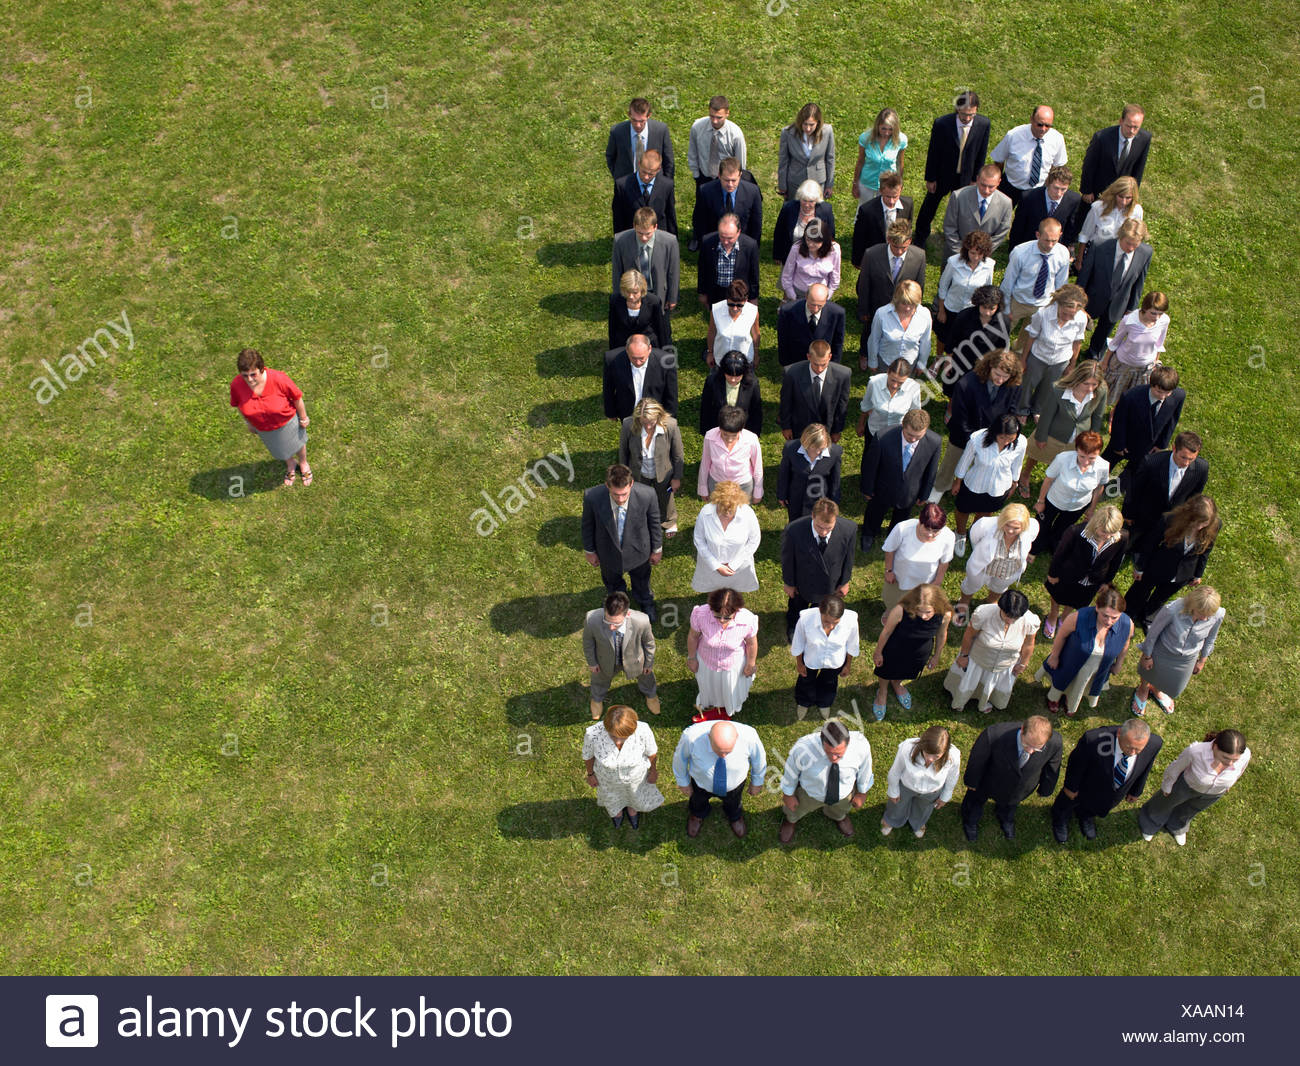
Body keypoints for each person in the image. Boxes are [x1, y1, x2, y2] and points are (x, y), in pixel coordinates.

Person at [1050, 718, 1162, 843]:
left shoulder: (1154, 744)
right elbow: (1076, 764)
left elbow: (1146, 766)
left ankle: (1086, 816)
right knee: (1068, 802)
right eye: (1129, 747)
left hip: (1111, 792)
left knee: (1096, 804)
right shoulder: (1093, 740)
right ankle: (1060, 817)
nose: (1132, 752)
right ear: (1119, 733)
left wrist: (1136, 791)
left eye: (1138, 750)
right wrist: (1071, 787)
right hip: (1086, 784)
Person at [930, 348, 1020, 502]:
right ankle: (940, 486)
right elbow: (960, 416)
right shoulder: (966, 384)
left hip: (994, 436)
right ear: (990, 366)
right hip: (964, 433)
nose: (1000, 380)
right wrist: (974, 441)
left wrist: (996, 437)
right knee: (952, 461)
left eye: (1005, 377)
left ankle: (966, 483)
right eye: (997, 374)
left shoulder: (1013, 385)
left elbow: (1012, 409)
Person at [1138, 728, 1250, 846]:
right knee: (1165, 803)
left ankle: (1177, 825)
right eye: (1226, 758)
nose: (1230, 764)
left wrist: (1230, 784)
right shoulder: (1195, 751)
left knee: (1192, 809)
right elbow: (1176, 768)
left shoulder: (1245, 754)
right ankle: (1150, 822)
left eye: (1235, 760)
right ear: (1215, 747)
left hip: (1214, 793)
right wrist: (1167, 786)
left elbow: (1241, 770)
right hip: (1186, 786)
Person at [581, 464, 663, 623]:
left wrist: (657, 549)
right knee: (612, 583)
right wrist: (590, 551)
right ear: (607, 486)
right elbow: (587, 525)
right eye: (615, 494)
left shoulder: (647, 494)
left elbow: (654, 522)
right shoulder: (592, 497)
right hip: (607, 553)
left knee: (642, 581)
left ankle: (645, 601)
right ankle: (619, 605)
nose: (620, 499)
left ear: (631, 484)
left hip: (639, 552)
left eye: (624, 494)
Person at [1125, 494, 1220, 631]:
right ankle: (1129, 615)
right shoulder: (1170, 520)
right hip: (1157, 566)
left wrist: (1198, 574)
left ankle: (1148, 616)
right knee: (1140, 591)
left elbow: (1206, 551)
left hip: (1183, 573)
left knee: (1161, 597)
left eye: (1203, 524)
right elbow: (1150, 544)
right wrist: (1140, 567)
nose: (1199, 527)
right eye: (1196, 523)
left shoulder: (1214, 526)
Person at [960, 715, 1062, 841]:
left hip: (1019, 788)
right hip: (988, 781)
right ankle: (970, 819)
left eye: (1036, 748)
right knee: (975, 801)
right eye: (1026, 744)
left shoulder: (1055, 743)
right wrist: (972, 781)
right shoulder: (994, 735)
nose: (1030, 751)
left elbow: (1052, 767)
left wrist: (1046, 789)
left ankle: (1005, 817)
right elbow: (977, 760)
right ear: (1022, 729)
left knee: (1011, 804)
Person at [1038, 584, 1133, 718]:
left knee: (1081, 686)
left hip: (1097, 668)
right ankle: (1055, 697)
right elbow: (1061, 635)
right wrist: (1054, 656)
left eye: (1114, 617)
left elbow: (1125, 643)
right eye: (1105, 615)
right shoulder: (1078, 617)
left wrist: (1119, 663)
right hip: (1071, 660)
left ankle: (1070, 700)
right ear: (1097, 607)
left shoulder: (1128, 624)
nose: (1109, 621)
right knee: (1064, 680)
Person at [914, 90, 990, 250]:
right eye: (964, 114)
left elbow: (981, 152)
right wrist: (931, 177)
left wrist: (976, 177)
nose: (967, 119)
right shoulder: (943, 124)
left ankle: (958, 238)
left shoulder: (983, 125)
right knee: (930, 206)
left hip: (966, 176)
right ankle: (920, 237)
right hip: (942, 175)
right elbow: (933, 151)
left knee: (962, 208)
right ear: (957, 109)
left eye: (971, 115)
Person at [1133, 585, 1224, 717]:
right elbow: (1153, 633)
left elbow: (1211, 638)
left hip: (1187, 658)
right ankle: (1143, 689)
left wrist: (1202, 660)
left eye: (1208, 616)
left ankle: (1157, 690)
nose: (1205, 619)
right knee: (1148, 673)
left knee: (1174, 685)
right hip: (1162, 651)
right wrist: (1147, 656)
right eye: (1201, 614)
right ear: (1192, 605)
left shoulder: (1218, 615)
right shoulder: (1173, 610)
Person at [944, 589, 1040, 715]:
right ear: (1000, 607)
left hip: (1004, 665)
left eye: (1015, 618)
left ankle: (985, 700)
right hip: (978, 659)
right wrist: (964, 656)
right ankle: (961, 700)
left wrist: (1023, 663)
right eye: (1007, 616)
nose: (1010, 621)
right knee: (969, 682)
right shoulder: (984, 613)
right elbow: (969, 635)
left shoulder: (1029, 621)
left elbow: (1029, 643)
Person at [1018, 361, 1108, 494]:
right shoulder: (1058, 389)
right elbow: (1047, 415)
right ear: (1077, 379)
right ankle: (1025, 475)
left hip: (1078, 438)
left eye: (1094, 384)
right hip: (1053, 433)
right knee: (1036, 455)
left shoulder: (1101, 391)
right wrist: (1041, 437)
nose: (1090, 389)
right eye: (1086, 384)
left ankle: (1055, 482)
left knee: (1067, 463)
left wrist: (1092, 441)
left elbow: (1097, 416)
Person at [858, 410, 942, 552]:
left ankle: (895, 536)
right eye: (909, 435)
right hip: (882, 488)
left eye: (918, 436)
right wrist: (867, 488)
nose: (913, 439)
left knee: (901, 517)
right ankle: (869, 533)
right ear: (903, 425)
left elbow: (931, 470)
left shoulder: (934, 441)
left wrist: (924, 494)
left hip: (910, 491)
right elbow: (870, 466)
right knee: (875, 512)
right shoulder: (883, 437)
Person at [779, 718, 873, 842]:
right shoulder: (803, 748)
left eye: (838, 754)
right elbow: (791, 772)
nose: (833, 758)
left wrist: (862, 793)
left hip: (844, 794)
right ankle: (791, 819)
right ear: (821, 741)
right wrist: (788, 794)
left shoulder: (861, 746)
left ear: (848, 743)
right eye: (829, 752)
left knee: (841, 808)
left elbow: (865, 770)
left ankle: (838, 816)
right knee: (795, 809)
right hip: (809, 793)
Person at [1042, 505, 1129, 639]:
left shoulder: (1121, 537)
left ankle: (1065, 617)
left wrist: (1107, 581)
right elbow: (1060, 554)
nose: (1107, 536)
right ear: (1096, 524)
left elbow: (1116, 561)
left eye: (1111, 533)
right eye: (1104, 532)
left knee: (1076, 601)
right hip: (1068, 575)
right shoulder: (1075, 532)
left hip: (1093, 581)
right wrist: (1053, 574)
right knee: (1057, 595)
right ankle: (1053, 615)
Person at [230, 348, 312, 487]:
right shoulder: (236, 385)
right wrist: (248, 423)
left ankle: (303, 463)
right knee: (279, 449)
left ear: (261, 369)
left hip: (287, 422)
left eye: (253, 374)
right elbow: (239, 404)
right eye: (245, 375)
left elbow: (297, 398)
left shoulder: (278, 378)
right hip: (263, 428)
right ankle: (290, 463)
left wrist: (303, 418)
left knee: (298, 444)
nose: (249, 379)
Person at [1122, 432, 1209, 563]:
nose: (1186, 463)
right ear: (1174, 448)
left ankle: (1140, 553)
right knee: (1133, 535)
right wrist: (1128, 513)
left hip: (1171, 516)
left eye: (1191, 459)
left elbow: (1196, 494)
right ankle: (1123, 552)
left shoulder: (1201, 468)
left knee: (1153, 538)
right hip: (1144, 512)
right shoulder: (1151, 463)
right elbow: (1134, 490)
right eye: (1183, 457)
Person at [672, 719, 767, 839]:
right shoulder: (690, 738)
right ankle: (698, 814)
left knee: (734, 802)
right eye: (718, 751)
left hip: (734, 785)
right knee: (698, 801)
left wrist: (757, 782)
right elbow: (680, 759)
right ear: (708, 737)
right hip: (701, 784)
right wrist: (683, 782)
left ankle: (734, 816)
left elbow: (759, 760)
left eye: (727, 752)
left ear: (737, 737)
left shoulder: (750, 736)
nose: (723, 756)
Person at [872, 583, 952, 721]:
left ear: (937, 606)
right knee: (885, 670)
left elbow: (941, 634)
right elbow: (886, 632)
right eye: (919, 610)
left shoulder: (945, 614)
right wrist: (878, 652)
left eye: (928, 612)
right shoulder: (900, 610)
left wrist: (936, 655)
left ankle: (897, 684)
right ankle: (882, 691)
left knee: (909, 671)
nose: (923, 616)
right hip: (895, 648)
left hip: (919, 652)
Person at [781, 498, 856, 642]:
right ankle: (793, 625)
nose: (824, 532)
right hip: (802, 582)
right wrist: (789, 583)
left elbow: (849, 558)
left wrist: (845, 582)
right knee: (797, 606)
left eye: (829, 528)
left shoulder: (849, 529)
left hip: (830, 583)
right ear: (813, 516)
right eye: (820, 527)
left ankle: (816, 626)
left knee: (821, 608)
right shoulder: (794, 530)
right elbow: (787, 560)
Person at [951, 414, 1026, 557]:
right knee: (963, 509)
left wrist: (1015, 482)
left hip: (999, 487)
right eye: (1002, 438)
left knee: (985, 513)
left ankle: (975, 533)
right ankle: (960, 533)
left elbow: (1018, 463)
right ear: (994, 432)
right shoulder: (977, 438)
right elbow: (965, 460)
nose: (1005, 442)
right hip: (974, 484)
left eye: (1010, 438)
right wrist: (957, 480)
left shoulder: (1021, 442)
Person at [1077, 218, 1153, 358]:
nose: (1131, 248)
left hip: (1118, 303)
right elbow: (1085, 275)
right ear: (1120, 235)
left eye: (1135, 245)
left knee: (1104, 332)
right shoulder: (1100, 246)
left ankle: (1093, 355)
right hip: (1093, 298)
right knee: (1077, 328)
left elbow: (1139, 283)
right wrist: (1078, 301)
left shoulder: (1145, 253)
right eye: (1128, 243)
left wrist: (1131, 308)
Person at [1103, 364, 1183, 493]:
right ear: (1151, 385)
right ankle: (1094, 483)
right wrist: (1119, 445)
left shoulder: (1178, 396)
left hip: (1148, 446)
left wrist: (1161, 444)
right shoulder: (1130, 397)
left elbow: (1172, 421)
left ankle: (1118, 487)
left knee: (1134, 469)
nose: (1163, 396)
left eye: (1167, 393)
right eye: (1158, 392)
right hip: (1125, 442)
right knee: (1107, 463)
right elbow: (1119, 422)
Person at [1029, 431, 1108, 558]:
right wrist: (1041, 501)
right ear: (1077, 449)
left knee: (1063, 528)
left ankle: (1054, 546)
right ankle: (1035, 548)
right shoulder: (1062, 458)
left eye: (1092, 458)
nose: (1086, 462)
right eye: (1082, 456)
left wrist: (1091, 509)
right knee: (1043, 525)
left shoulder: (1103, 466)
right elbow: (1048, 479)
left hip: (1077, 506)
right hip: (1054, 500)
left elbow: (1099, 487)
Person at [583, 705, 664, 830]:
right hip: (607, 780)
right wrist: (590, 774)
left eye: (623, 737)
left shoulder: (643, 730)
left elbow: (651, 753)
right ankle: (617, 812)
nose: (618, 741)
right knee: (612, 797)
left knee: (635, 795)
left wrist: (653, 771)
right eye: (613, 736)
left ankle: (633, 809)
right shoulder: (593, 734)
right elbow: (588, 756)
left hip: (636, 778)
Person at [955, 504, 1038, 625]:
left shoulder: (1033, 527)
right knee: (971, 585)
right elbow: (974, 538)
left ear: (1024, 526)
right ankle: (963, 603)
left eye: (1016, 528)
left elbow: (1031, 538)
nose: (1010, 531)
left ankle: (990, 603)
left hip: (1009, 572)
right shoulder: (985, 525)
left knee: (999, 588)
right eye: (1007, 525)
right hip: (983, 568)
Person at [1015, 283, 1090, 418]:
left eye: (1071, 315)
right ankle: (1022, 410)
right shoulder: (1042, 314)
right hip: (1038, 355)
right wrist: (1023, 360)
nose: (1067, 318)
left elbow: (1077, 343)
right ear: (1058, 305)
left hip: (1061, 360)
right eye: (1065, 313)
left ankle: (1037, 410)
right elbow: (1031, 338)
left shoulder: (1081, 319)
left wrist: (1072, 365)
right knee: (1027, 385)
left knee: (1049, 387)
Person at [583, 592, 660, 722]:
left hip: (635, 660)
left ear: (627, 614)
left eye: (617, 624)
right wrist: (592, 662)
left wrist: (648, 663)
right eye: (607, 621)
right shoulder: (592, 619)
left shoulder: (642, 621)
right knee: (599, 679)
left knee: (646, 677)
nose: (611, 627)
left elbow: (649, 644)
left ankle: (651, 695)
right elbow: (588, 642)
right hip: (605, 660)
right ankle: (597, 698)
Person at [856, 219, 926, 361]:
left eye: (904, 248)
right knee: (870, 330)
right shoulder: (872, 254)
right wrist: (863, 309)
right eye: (895, 247)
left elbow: (919, 285)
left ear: (910, 241)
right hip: (877, 303)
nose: (899, 252)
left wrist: (915, 306)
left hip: (903, 305)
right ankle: (865, 353)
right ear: (888, 239)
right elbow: (864, 285)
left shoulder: (919, 256)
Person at [686, 588, 759, 718]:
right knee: (710, 685)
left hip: (732, 664)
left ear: (736, 611)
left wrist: (751, 663)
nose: (722, 620)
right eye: (717, 616)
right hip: (707, 661)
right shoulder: (700, 614)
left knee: (730, 687)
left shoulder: (747, 620)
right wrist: (692, 658)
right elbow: (693, 636)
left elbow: (751, 643)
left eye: (727, 617)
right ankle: (711, 701)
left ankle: (730, 703)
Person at [619, 397, 683, 537]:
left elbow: (678, 455)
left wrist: (676, 477)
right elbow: (623, 451)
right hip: (638, 472)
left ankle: (669, 521)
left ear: (659, 416)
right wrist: (624, 475)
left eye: (651, 422)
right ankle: (642, 521)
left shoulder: (670, 426)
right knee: (640, 497)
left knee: (665, 497)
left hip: (663, 472)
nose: (648, 426)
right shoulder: (628, 424)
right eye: (644, 422)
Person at [790, 594, 860, 720]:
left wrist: (848, 665)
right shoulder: (806, 620)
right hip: (811, 658)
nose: (831, 626)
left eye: (836, 623)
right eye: (826, 621)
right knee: (806, 680)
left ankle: (824, 702)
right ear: (819, 612)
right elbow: (798, 643)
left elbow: (852, 645)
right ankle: (804, 701)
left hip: (835, 661)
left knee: (830, 682)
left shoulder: (851, 622)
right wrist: (800, 664)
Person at [882, 726, 960, 838]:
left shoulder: (954, 757)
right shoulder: (908, 748)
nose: (930, 759)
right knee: (897, 805)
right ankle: (891, 820)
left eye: (936, 756)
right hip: (906, 786)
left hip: (932, 792)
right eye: (927, 753)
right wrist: (893, 790)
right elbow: (895, 770)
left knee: (923, 809)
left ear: (945, 751)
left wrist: (945, 796)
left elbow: (952, 777)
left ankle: (917, 823)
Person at [937, 286, 1013, 393]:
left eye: (992, 308)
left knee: (976, 393)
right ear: (978, 303)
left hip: (985, 365)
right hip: (961, 361)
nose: (987, 312)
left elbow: (1002, 347)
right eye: (984, 307)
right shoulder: (964, 316)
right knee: (955, 390)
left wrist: (996, 367)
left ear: (998, 306)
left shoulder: (1003, 322)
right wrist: (949, 361)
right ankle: (950, 409)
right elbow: (952, 340)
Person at [691, 481, 761, 594]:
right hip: (710, 567)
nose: (727, 512)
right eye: (723, 508)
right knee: (713, 594)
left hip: (739, 567)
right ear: (716, 501)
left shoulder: (748, 514)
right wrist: (716, 565)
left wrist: (733, 565)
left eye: (731, 509)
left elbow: (754, 541)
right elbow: (699, 540)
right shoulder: (705, 513)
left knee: (735, 596)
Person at [611, 208, 680, 324]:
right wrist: (619, 297)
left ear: (655, 227)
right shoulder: (621, 241)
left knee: (659, 324)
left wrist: (672, 297)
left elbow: (673, 271)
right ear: (634, 226)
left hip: (658, 292)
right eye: (639, 233)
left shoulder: (670, 242)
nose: (643, 238)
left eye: (648, 234)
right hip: (633, 294)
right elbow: (617, 271)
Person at [1098, 291, 1170, 401]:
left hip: (1144, 369)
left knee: (1131, 396)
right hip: (1123, 364)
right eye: (1153, 313)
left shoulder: (1164, 321)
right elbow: (1115, 342)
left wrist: (1155, 362)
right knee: (1109, 393)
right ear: (1145, 308)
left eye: (1160, 314)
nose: (1157, 317)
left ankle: (1116, 411)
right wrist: (1105, 363)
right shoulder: (1129, 321)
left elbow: (1159, 344)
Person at [1001, 218, 1070, 331]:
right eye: (1046, 240)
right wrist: (1006, 309)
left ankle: (1018, 348)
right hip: (1018, 301)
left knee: (1029, 338)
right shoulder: (1020, 253)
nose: (1050, 245)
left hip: (1043, 305)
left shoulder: (1062, 253)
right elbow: (1008, 282)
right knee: (1002, 333)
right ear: (1038, 235)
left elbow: (1061, 285)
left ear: (1060, 235)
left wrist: (1056, 308)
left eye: (1054, 241)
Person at [934, 230, 995, 355]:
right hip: (951, 307)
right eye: (973, 253)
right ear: (966, 249)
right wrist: (941, 310)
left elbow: (987, 290)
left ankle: (953, 361)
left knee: (962, 339)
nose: (976, 257)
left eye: (980, 254)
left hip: (971, 311)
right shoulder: (953, 262)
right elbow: (943, 286)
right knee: (943, 336)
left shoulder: (989, 265)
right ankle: (938, 358)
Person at [991, 105, 1067, 204]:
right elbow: (999, 160)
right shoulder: (1014, 136)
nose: (1043, 129)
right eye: (1039, 124)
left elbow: (1057, 166)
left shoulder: (1057, 139)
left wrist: (1049, 186)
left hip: (1037, 190)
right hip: (1010, 186)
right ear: (1031, 119)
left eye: (1048, 126)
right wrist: (996, 183)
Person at [779, 340, 852, 443]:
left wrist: (837, 430)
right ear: (808, 357)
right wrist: (786, 426)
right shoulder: (792, 373)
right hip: (800, 428)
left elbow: (842, 405)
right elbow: (786, 402)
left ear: (830, 357)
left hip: (827, 430)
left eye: (823, 364)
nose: (819, 369)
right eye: (815, 364)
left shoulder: (843, 375)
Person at [1080, 105, 1151, 208]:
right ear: (1121, 121)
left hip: (1122, 196)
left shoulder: (1144, 139)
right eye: (1128, 126)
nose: (1131, 131)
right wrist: (1087, 190)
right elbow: (1089, 165)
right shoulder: (1102, 138)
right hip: (1097, 192)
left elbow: (1139, 169)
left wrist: (1133, 195)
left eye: (1136, 127)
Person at [941, 163, 1013, 259]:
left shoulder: (1006, 203)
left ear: (999, 182)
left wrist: (981, 254)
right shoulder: (958, 197)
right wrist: (961, 253)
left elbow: (1001, 233)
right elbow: (949, 227)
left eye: (991, 187)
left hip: (983, 258)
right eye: (983, 185)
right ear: (978, 179)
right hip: (956, 254)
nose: (986, 191)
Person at [1073, 176, 1144, 271]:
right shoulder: (1098, 207)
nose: (1123, 202)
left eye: (1128, 198)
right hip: (1097, 253)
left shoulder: (1137, 211)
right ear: (1114, 193)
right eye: (1121, 196)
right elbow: (1085, 235)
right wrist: (1079, 260)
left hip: (1119, 256)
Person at [777, 422, 843, 523]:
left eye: (821, 449)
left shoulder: (835, 452)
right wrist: (782, 494)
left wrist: (834, 502)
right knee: (796, 524)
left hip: (820, 499)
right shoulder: (791, 449)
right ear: (805, 442)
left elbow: (835, 480)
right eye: (814, 448)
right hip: (796, 498)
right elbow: (784, 474)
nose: (817, 452)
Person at [603, 334, 678, 421]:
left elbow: (671, 394)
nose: (638, 363)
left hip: (655, 416)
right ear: (627, 350)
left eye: (641, 358)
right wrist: (610, 412)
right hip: (628, 414)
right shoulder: (612, 359)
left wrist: (670, 418)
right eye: (634, 358)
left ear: (649, 349)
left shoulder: (667, 361)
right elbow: (608, 388)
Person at [1007, 164, 1082, 250]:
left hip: (1055, 246)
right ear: (1048, 183)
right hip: (1030, 245)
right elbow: (1018, 226)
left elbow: (1071, 227)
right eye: (1056, 188)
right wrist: (1013, 249)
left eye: (1063, 189)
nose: (1059, 193)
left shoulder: (1073, 200)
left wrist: (1067, 247)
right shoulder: (1029, 197)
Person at [697, 405, 763, 501]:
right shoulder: (709, 437)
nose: (730, 439)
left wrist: (758, 491)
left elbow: (757, 466)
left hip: (742, 485)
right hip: (717, 483)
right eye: (725, 434)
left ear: (741, 429)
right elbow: (705, 463)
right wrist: (703, 488)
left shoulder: (751, 439)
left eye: (734, 435)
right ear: (719, 428)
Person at [693, 157, 763, 246]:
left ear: (740, 175)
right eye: (726, 180)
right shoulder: (706, 191)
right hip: (714, 243)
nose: (730, 184)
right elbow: (699, 221)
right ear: (719, 175)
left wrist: (753, 248)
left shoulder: (752, 192)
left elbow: (756, 224)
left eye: (734, 180)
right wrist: (704, 244)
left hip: (742, 245)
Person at [866, 280, 932, 372]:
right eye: (904, 303)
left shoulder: (925, 315)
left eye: (912, 304)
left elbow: (926, 342)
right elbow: (874, 339)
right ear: (896, 299)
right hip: (886, 363)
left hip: (909, 365)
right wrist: (873, 362)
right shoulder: (882, 314)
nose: (908, 308)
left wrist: (922, 364)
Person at [855, 357, 923, 447]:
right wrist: (861, 424)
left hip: (898, 435)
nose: (895, 385)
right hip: (874, 431)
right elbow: (866, 405)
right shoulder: (874, 383)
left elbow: (915, 414)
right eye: (893, 380)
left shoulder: (914, 388)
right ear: (888, 372)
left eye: (900, 382)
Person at [697, 214, 760, 309]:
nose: (725, 242)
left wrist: (753, 297)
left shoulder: (750, 245)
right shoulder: (707, 242)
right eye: (722, 237)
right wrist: (702, 293)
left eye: (730, 238)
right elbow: (702, 269)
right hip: (716, 293)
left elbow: (754, 274)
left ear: (738, 232)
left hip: (738, 294)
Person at [851, 171, 913, 267]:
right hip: (875, 256)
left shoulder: (908, 204)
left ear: (901, 189)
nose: (891, 201)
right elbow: (859, 238)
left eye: (895, 196)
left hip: (896, 253)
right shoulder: (867, 210)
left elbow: (908, 228)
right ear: (881, 191)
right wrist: (858, 260)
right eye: (888, 196)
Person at [606, 97, 675, 182]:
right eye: (634, 120)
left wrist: (666, 184)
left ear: (649, 115)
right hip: (626, 185)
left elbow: (669, 160)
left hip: (655, 184)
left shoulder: (660, 130)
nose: (638, 125)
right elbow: (610, 156)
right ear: (629, 115)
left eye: (642, 121)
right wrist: (619, 178)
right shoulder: (617, 132)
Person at [776, 283, 846, 366]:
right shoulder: (788, 311)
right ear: (806, 296)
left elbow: (838, 342)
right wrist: (785, 364)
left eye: (819, 306)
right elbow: (783, 339)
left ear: (826, 300)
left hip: (821, 362)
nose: (815, 309)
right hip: (796, 360)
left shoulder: (837, 313)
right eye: (812, 304)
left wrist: (833, 365)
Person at [611, 148, 677, 235]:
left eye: (651, 174)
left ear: (658, 169)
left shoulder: (666, 185)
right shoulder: (622, 185)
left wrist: (673, 239)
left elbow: (670, 214)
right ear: (639, 164)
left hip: (658, 234)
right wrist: (619, 239)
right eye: (643, 172)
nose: (646, 177)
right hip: (632, 234)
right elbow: (618, 217)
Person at [687, 95, 747, 188]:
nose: (715, 121)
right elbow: (693, 152)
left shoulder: (736, 135)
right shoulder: (697, 127)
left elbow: (740, 163)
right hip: (703, 177)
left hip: (726, 180)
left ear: (727, 113)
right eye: (712, 116)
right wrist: (696, 175)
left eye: (719, 117)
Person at [778, 103, 835, 200]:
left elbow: (830, 158)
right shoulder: (788, 133)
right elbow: (783, 161)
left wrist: (829, 185)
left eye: (811, 125)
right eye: (805, 124)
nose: (808, 128)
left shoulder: (827, 131)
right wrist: (782, 185)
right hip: (795, 182)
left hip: (818, 182)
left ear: (818, 122)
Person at [772, 179, 836, 265]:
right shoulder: (788, 208)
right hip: (791, 258)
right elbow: (779, 232)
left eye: (811, 201)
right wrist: (777, 255)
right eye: (804, 200)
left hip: (816, 260)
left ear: (817, 200)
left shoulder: (826, 210)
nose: (807, 205)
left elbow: (830, 235)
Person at [699, 351, 762, 435]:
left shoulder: (752, 384)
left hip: (743, 432)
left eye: (737, 376)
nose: (733, 380)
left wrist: (754, 434)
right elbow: (706, 408)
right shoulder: (712, 381)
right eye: (729, 375)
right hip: (718, 430)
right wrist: (706, 431)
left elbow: (756, 411)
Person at [853, 108, 906, 203]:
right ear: (877, 125)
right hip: (867, 182)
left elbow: (900, 162)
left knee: (884, 211)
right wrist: (855, 183)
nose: (886, 133)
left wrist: (899, 183)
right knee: (864, 210)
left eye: (890, 129)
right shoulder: (866, 138)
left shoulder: (901, 140)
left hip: (888, 184)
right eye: (883, 128)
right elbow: (860, 161)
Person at [779, 220, 841, 300]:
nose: (810, 244)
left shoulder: (834, 250)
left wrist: (827, 296)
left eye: (815, 242)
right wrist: (792, 295)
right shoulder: (796, 248)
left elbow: (835, 275)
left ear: (824, 240)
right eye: (808, 240)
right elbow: (787, 274)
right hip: (798, 293)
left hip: (821, 294)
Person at [609, 269, 668, 351]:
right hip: (623, 345)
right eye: (627, 292)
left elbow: (661, 328)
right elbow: (613, 328)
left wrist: (665, 351)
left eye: (635, 292)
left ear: (642, 290)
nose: (630, 296)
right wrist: (612, 350)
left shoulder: (654, 301)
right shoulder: (615, 300)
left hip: (648, 345)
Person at [707, 279, 761, 367]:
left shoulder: (753, 311)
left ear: (746, 300)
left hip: (744, 361)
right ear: (727, 299)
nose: (735, 308)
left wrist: (756, 355)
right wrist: (710, 353)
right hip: (721, 360)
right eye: (731, 304)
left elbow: (756, 334)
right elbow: (711, 332)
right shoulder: (716, 310)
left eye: (739, 305)